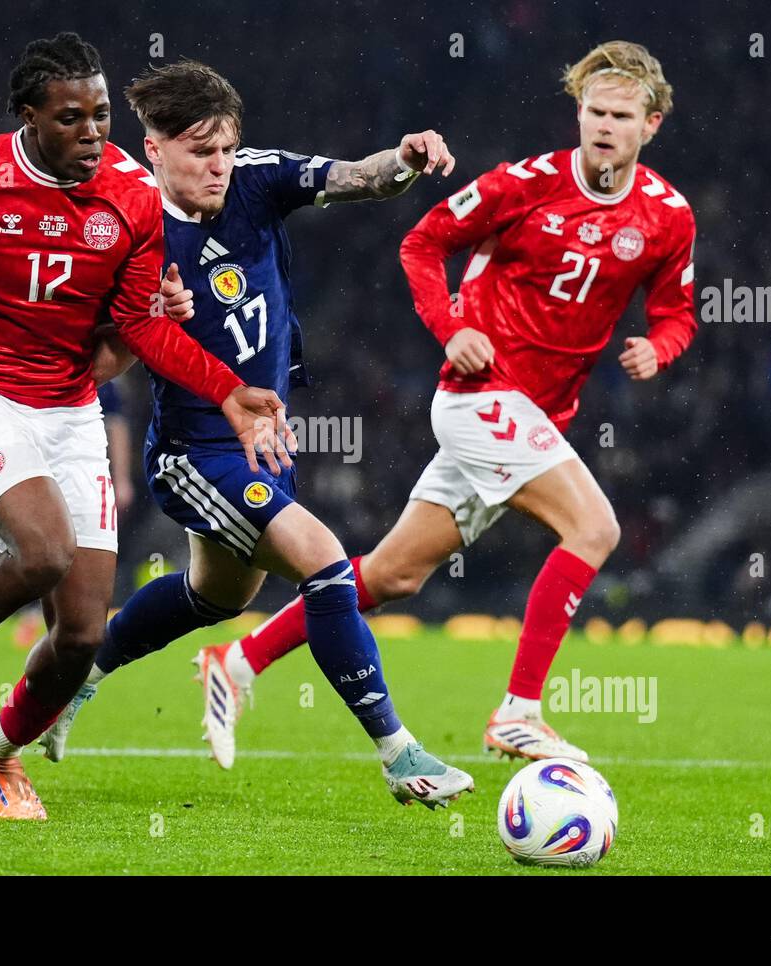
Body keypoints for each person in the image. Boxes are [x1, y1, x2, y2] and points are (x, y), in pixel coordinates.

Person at [179, 41, 699, 767]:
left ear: (652, 125)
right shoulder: (524, 185)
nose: (605, 126)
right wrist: (452, 329)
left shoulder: (669, 216)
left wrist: (661, 348)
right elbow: (422, 245)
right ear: (579, 113)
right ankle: (518, 713)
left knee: (392, 575)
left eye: (622, 116)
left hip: (542, 415)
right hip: (482, 398)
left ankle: (236, 664)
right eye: (594, 111)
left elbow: (677, 312)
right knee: (595, 528)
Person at [0, 32, 289, 820]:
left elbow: (140, 326)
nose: (93, 133)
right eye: (72, 118)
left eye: (102, 115)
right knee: (42, 551)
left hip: (69, 404)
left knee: (80, 635)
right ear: (30, 117)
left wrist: (228, 389)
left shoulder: (133, 196)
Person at [39, 59, 474, 808]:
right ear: (154, 149)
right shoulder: (127, 228)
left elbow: (358, 178)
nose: (219, 166)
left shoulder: (258, 178)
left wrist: (403, 160)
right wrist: (143, 324)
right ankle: (400, 754)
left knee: (217, 598)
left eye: (226, 149)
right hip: (192, 448)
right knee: (327, 562)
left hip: (266, 441)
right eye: (200, 151)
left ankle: (75, 679)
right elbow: (96, 349)